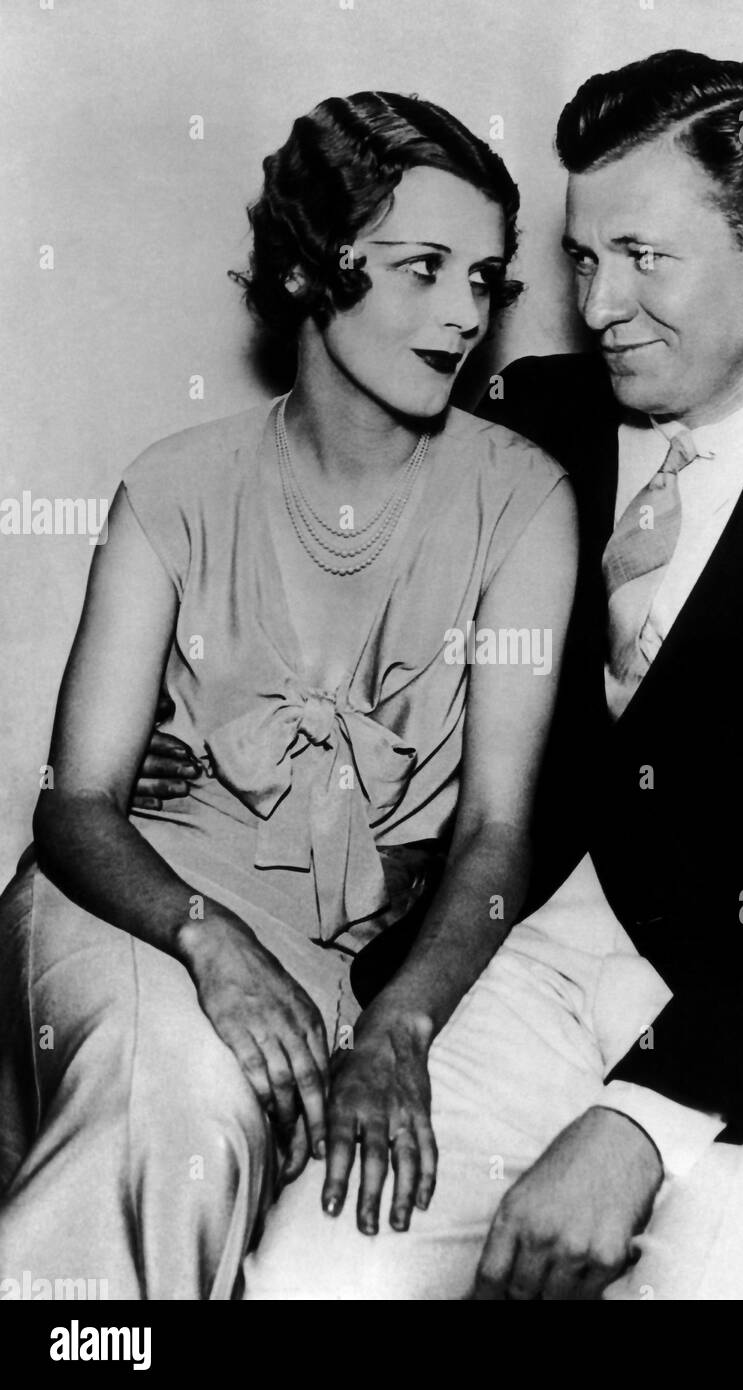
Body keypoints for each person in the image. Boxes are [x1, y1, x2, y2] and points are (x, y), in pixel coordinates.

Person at [221, 50, 743, 1300]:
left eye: (643, 257)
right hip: (547, 942)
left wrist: (636, 1121)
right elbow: (346, 541)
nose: (599, 301)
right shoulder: (541, 417)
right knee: (318, 1273)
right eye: (583, 258)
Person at [0, 91, 578, 1299]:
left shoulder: (520, 501)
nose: (466, 312)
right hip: (144, 906)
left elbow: (495, 832)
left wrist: (401, 1025)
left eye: (484, 278)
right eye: (423, 268)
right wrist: (211, 943)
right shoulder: (173, 485)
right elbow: (77, 805)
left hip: (342, 962)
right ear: (314, 273)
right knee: (181, 1107)